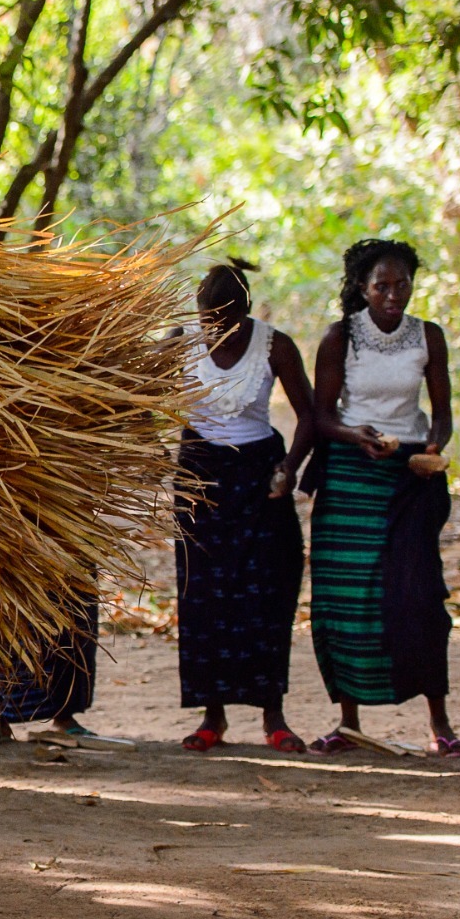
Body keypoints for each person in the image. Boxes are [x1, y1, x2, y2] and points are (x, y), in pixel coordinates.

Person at [305, 239, 460, 756]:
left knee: (417, 596)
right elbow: (321, 416)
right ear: (362, 288)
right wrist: (358, 436)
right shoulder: (340, 337)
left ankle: (440, 723)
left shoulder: (428, 336)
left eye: (402, 285)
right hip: (352, 473)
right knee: (345, 597)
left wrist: (435, 445)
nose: (393, 295)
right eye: (382, 286)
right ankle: (348, 719)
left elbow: (442, 411)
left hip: (411, 475)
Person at [173, 261, 316, 753]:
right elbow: (131, 393)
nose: (216, 328)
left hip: (259, 479)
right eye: (208, 317)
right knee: (203, 597)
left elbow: (310, 416)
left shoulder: (275, 345)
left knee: (267, 595)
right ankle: (212, 717)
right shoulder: (179, 342)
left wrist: (290, 467)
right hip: (199, 480)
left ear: (247, 310)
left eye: (227, 318)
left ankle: (273, 714)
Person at [0, 588, 101, 744]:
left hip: (66, 569)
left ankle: (64, 717)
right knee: (4, 626)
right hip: (6, 571)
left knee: (70, 628)